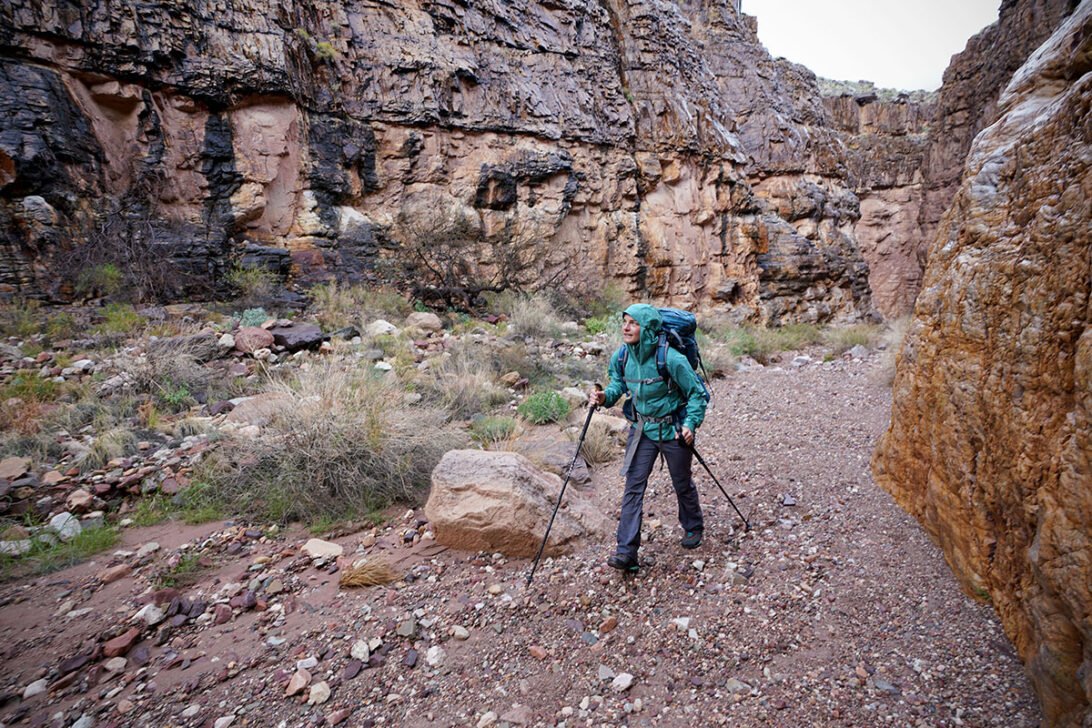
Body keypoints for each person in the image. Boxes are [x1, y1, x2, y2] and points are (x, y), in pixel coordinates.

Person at [588, 304, 708, 572]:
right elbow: (619, 384)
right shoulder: (622, 356)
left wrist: (690, 423)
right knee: (633, 487)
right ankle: (626, 552)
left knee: (681, 481)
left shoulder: (672, 359)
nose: (626, 327)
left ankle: (693, 526)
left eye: (633, 323)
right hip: (642, 430)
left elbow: (697, 394)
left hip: (673, 428)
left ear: (648, 329)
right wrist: (605, 396)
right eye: (624, 322)